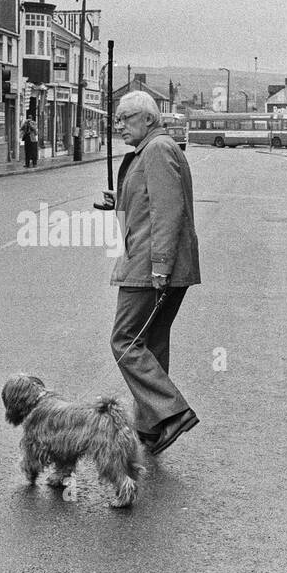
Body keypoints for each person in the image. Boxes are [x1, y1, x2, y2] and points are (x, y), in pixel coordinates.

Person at [105, 91, 200, 456]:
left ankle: (172, 412)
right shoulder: (152, 150)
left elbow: (168, 211)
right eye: (118, 118)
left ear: (147, 118)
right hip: (162, 265)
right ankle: (151, 428)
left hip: (150, 267)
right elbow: (151, 202)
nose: (119, 125)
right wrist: (120, 201)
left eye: (125, 118)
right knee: (153, 342)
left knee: (125, 341)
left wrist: (159, 266)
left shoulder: (158, 149)